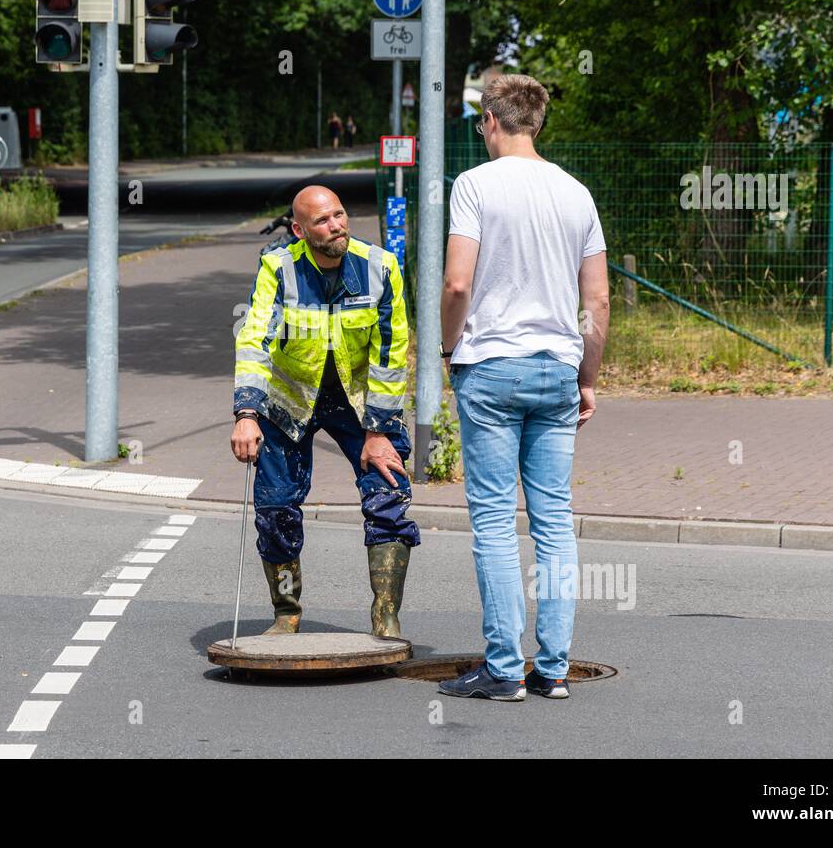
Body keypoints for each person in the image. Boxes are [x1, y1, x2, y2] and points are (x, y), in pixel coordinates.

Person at [436, 74, 610, 702]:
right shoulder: (576, 192)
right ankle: (554, 670)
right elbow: (598, 299)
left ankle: (505, 669)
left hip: (490, 367)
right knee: (554, 521)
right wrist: (586, 377)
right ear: (538, 124)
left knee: (492, 520)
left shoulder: (475, 185)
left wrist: (450, 348)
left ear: (490, 121)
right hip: (558, 367)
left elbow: (458, 285)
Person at [231, 184, 418, 638]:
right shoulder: (278, 268)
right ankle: (286, 613)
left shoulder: (380, 267)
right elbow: (254, 340)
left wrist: (378, 431)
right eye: (322, 220)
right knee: (275, 508)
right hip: (290, 400)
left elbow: (392, 354)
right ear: (299, 230)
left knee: (388, 495)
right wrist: (247, 414)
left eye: (339, 215)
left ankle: (385, 616)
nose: (336, 226)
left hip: (360, 402)